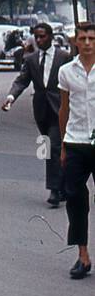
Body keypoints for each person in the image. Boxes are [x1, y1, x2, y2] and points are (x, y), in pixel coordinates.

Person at [5, 22, 72, 207]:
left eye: (43, 36)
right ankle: (63, 185)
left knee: (53, 147)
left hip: (60, 109)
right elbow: (22, 81)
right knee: (49, 147)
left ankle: (54, 190)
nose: (40, 40)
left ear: (51, 37)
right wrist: (11, 97)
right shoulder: (32, 59)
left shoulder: (64, 57)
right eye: (37, 37)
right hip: (41, 110)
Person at [57, 22, 95, 279]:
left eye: (92, 38)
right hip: (75, 143)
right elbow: (64, 109)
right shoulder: (66, 71)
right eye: (83, 38)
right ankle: (83, 255)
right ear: (75, 41)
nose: (88, 43)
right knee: (75, 199)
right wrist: (62, 145)